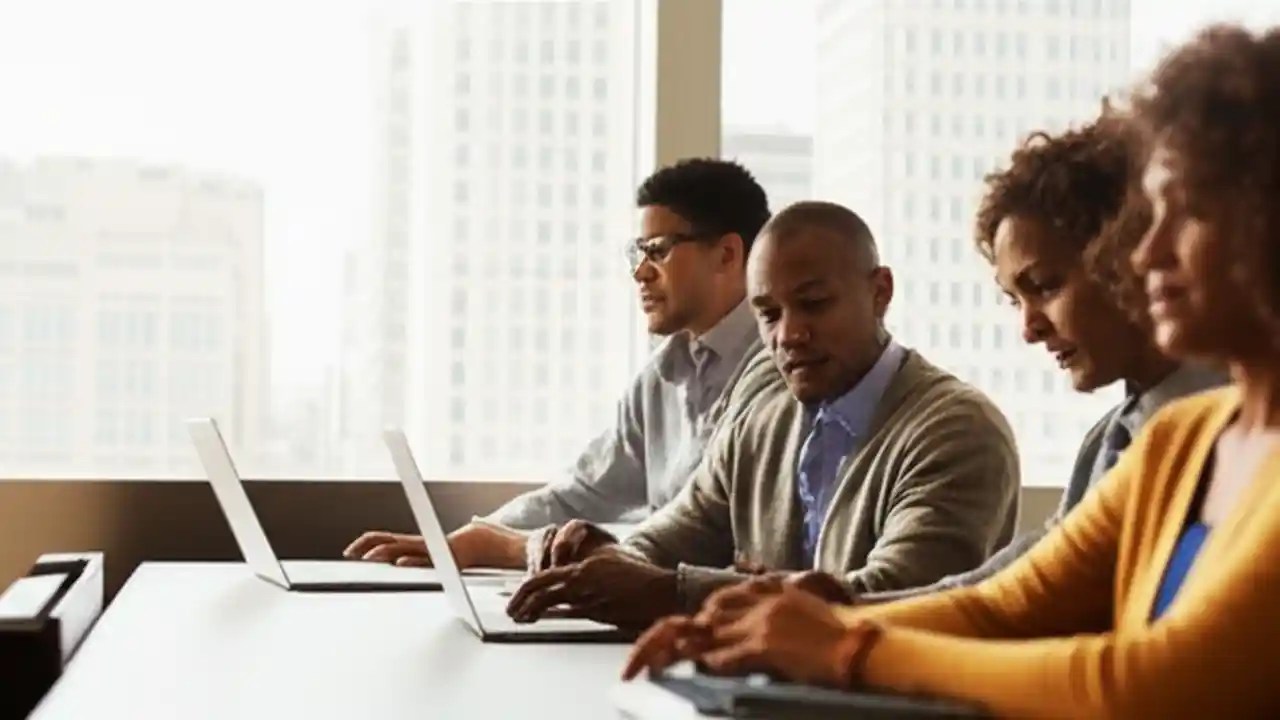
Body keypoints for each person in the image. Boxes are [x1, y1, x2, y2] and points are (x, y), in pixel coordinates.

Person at [624, 25, 1280, 719]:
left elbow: (1142, 684)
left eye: (1192, 212)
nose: (1142, 257)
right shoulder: (1180, 437)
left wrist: (845, 649)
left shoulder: (966, 424)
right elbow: (1009, 603)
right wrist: (790, 627)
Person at [503, 201, 1020, 630]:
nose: (788, 336)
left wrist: (674, 593)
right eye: (768, 314)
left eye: (814, 304)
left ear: (880, 292)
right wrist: (602, 559)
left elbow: (893, 599)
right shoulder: (764, 413)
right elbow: (674, 534)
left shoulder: (960, 431)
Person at [854, 112, 1224, 602]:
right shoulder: (1109, 439)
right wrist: (845, 611)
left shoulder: (1229, 431)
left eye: (1046, 286)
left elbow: (1045, 607)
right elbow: (1023, 578)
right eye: (1015, 299)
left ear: (1123, 259)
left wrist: (850, 627)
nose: (1029, 329)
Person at [343, 158, 769, 569]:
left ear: (728, 255)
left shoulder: (777, 373)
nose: (640, 273)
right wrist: (465, 541)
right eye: (636, 254)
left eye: (657, 251)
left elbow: (700, 543)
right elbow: (578, 494)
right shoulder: (660, 377)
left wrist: (510, 548)